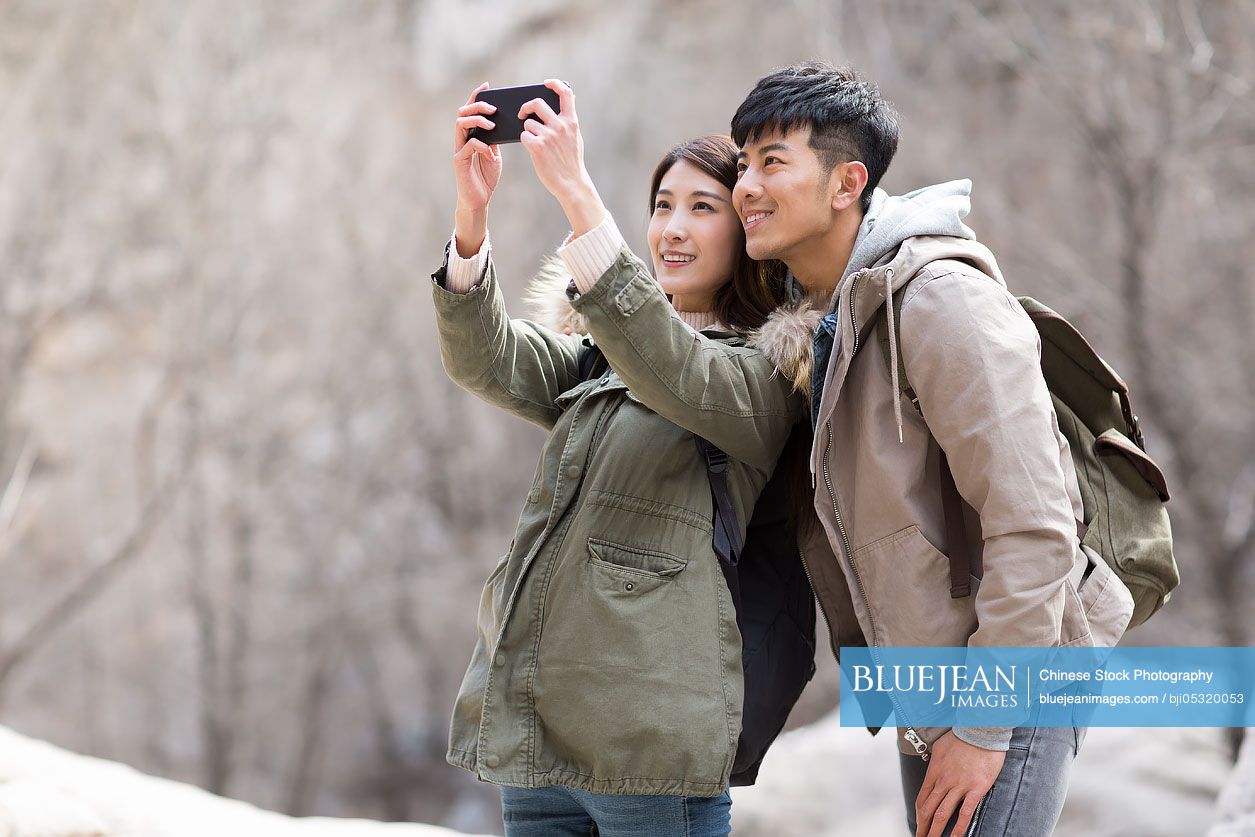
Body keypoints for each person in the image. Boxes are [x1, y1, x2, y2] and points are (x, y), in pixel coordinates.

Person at [724, 63, 1135, 837]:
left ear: (846, 183)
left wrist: (983, 727)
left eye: (772, 161)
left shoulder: (939, 298)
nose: (746, 184)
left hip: (1014, 667)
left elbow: (1036, 524)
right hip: (933, 676)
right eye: (742, 163)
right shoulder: (825, 315)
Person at [431, 80, 809, 837]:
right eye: (661, 205)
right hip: (541, 739)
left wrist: (574, 189)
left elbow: (673, 366)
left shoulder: (762, 374)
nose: (670, 227)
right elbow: (486, 359)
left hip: (648, 749)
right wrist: (471, 219)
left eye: (702, 208)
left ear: (747, 232)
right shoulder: (602, 360)